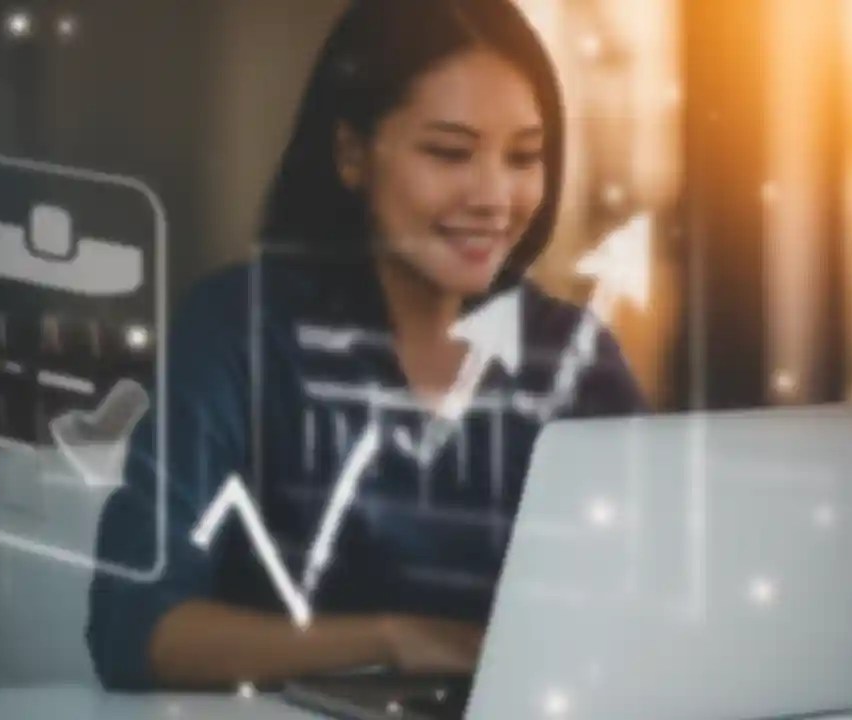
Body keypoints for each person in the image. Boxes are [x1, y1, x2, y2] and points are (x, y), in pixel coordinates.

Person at [88, 0, 645, 690]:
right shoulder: (241, 330)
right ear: (352, 153)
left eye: (524, 157)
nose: (496, 197)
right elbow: (137, 628)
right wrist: (393, 640)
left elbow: (654, 609)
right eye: (448, 152)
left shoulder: (575, 358)